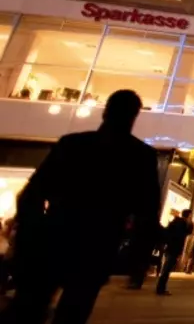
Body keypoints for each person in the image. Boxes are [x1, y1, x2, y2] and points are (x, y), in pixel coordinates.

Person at [3, 90, 160, 324]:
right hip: (98, 244)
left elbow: (31, 193)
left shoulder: (72, 144)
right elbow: (147, 212)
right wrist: (138, 256)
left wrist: (30, 234)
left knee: (30, 306)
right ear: (134, 117)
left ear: (105, 111)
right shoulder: (141, 156)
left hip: (55, 236)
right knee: (74, 311)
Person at [156, 209, 193, 295]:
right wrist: (190, 223)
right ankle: (160, 289)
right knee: (166, 269)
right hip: (174, 249)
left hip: (170, 248)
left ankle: (161, 288)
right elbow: (185, 233)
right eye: (191, 215)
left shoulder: (176, 222)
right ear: (188, 215)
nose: (191, 217)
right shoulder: (182, 224)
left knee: (166, 268)